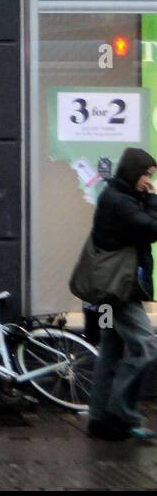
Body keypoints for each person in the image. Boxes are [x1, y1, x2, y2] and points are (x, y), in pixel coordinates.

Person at [86, 146, 157, 440]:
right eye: (146, 175)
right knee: (147, 347)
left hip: (112, 288)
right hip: (118, 290)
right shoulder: (119, 199)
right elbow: (151, 228)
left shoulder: (119, 196)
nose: (149, 181)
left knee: (111, 352)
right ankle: (120, 413)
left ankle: (99, 419)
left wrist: (145, 198)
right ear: (133, 171)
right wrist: (152, 200)